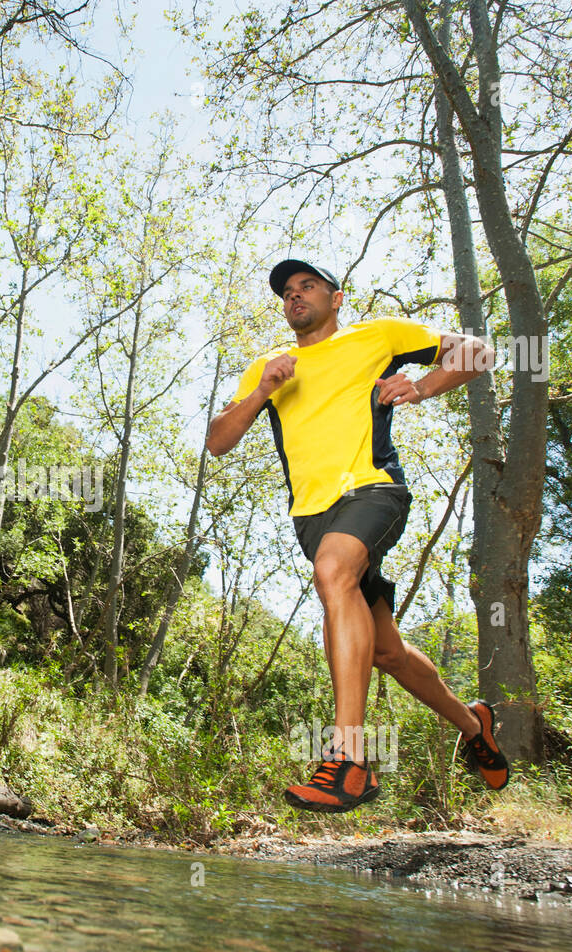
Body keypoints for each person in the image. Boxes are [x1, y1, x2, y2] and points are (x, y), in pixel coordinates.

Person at [206, 258, 509, 812]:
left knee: (332, 574)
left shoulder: (379, 335)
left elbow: (480, 353)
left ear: (336, 297)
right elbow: (218, 441)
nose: (295, 296)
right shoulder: (270, 367)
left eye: (308, 286)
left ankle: (348, 760)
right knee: (387, 652)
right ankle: (474, 725)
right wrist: (263, 389)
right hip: (311, 517)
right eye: (287, 292)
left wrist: (421, 387)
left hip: (373, 491)